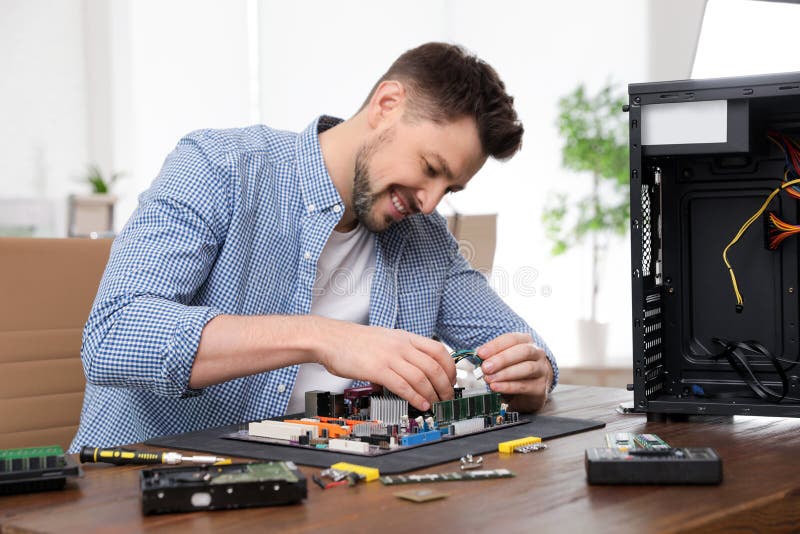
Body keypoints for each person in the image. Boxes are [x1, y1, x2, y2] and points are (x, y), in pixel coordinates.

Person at [69, 42, 557, 451]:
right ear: (387, 104)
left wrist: (531, 377)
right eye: (430, 167)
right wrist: (324, 337)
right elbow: (114, 335)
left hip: (327, 490)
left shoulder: (423, 238)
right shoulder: (220, 167)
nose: (430, 204)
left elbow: (530, 351)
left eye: (450, 189)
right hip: (149, 482)